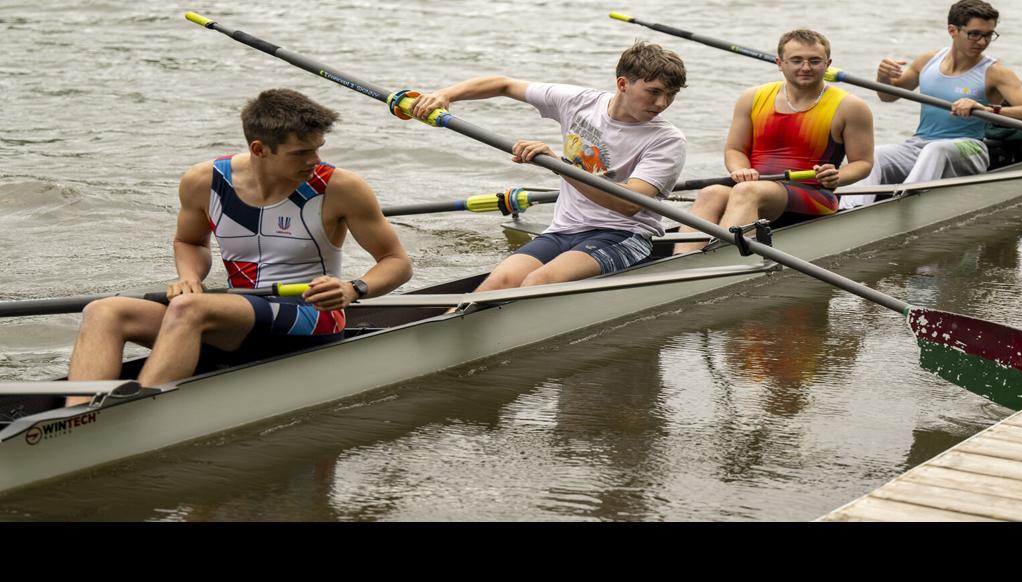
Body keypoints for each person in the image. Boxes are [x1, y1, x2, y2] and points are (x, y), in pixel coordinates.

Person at [65, 88, 412, 406]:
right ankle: (77, 417)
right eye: (302, 153)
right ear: (259, 149)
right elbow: (189, 241)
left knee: (188, 308)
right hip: (236, 316)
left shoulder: (340, 188)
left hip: (310, 315)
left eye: (318, 148)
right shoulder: (204, 182)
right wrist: (189, 276)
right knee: (103, 311)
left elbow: (396, 261)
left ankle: (136, 417)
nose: (315, 160)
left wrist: (353, 289)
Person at [411, 42, 688, 291]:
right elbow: (503, 84)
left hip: (624, 234)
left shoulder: (667, 140)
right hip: (563, 229)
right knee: (499, 283)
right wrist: (445, 95)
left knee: (537, 283)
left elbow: (628, 204)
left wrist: (559, 165)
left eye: (671, 94)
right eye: (654, 92)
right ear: (623, 84)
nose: (662, 103)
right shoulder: (579, 102)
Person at [676, 28, 874, 254]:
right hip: (756, 188)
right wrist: (741, 170)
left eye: (814, 61)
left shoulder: (851, 107)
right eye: (796, 60)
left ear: (828, 64)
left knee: (747, 191)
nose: (805, 67)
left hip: (812, 194)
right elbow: (735, 150)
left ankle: (723, 259)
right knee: (710, 193)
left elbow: (863, 163)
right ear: (780, 63)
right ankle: (683, 258)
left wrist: (837, 176)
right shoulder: (752, 97)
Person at [839, 0, 1022, 209]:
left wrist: (987, 109)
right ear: (952, 30)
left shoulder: (995, 72)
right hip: (919, 145)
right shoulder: (928, 60)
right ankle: (849, 209)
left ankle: (904, 207)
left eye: (988, 35)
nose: (982, 42)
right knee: (874, 155)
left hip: (970, 147)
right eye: (974, 34)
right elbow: (887, 96)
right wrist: (883, 77)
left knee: (936, 150)